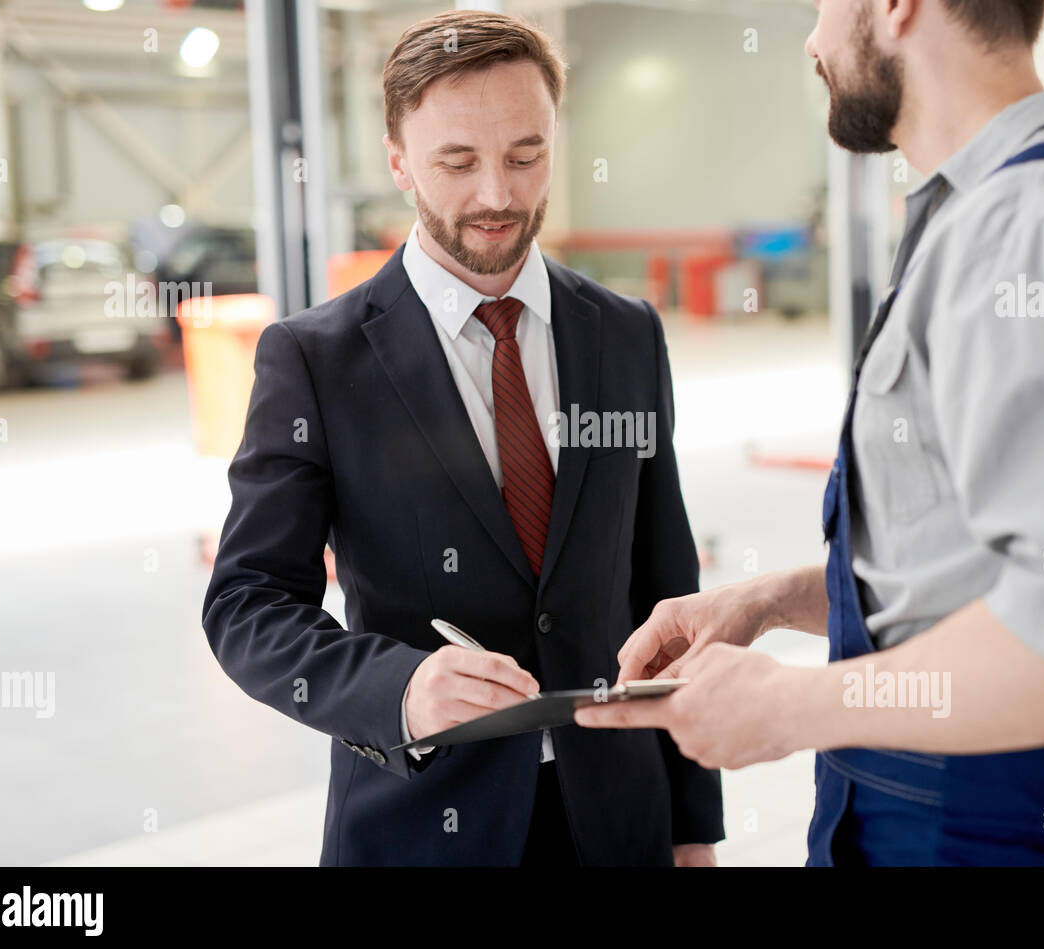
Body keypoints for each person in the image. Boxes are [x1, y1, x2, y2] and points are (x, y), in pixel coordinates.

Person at [577, 0, 1044, 865]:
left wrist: (787, 708)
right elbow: (986, 569)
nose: (813, 41)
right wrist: (770, 601)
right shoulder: (991, 217)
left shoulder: (1033, 235)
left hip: (972, 835)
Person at [202, 9, 723, 866]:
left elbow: (666, 585)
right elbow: (247, 606)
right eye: (457, 162)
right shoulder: (315, 361)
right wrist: (397, 688)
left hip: (618, 819)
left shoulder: (625, 334)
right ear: (398, 160)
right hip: (424, 822)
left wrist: (692, 822)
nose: (498, 195)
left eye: (526, 155)